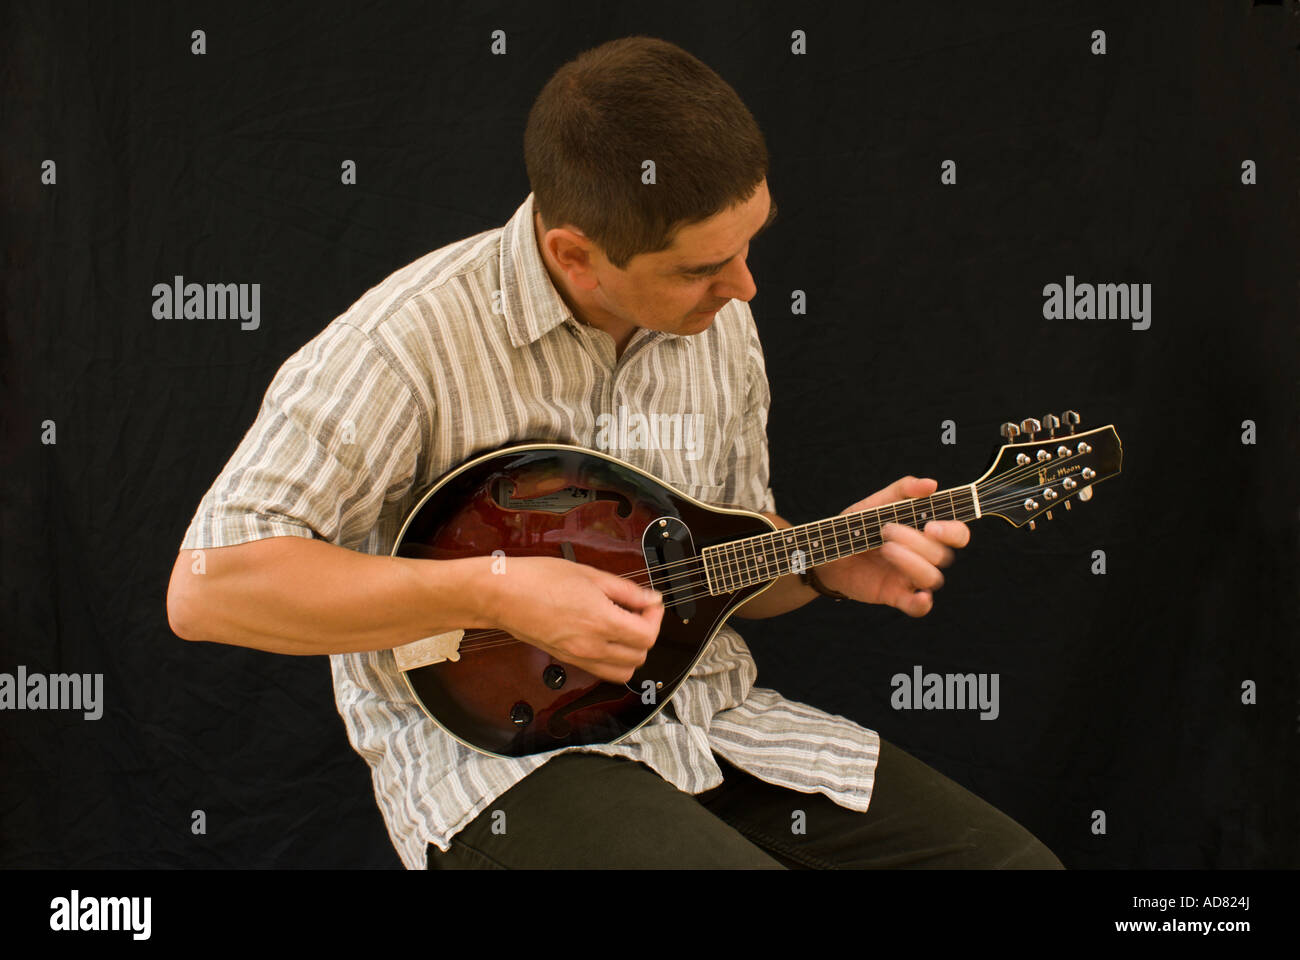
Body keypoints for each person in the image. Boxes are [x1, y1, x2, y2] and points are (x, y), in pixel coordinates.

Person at [166, 35, 1063, 870]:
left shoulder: (725, 322)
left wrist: (822, 564)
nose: (746, 286)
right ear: (576, 254)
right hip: (501, 761)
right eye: (701, 267)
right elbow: (209, 588)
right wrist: (496, 591)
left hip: (708, 719)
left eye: (751, 243)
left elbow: (707, 577)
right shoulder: (403, 345)